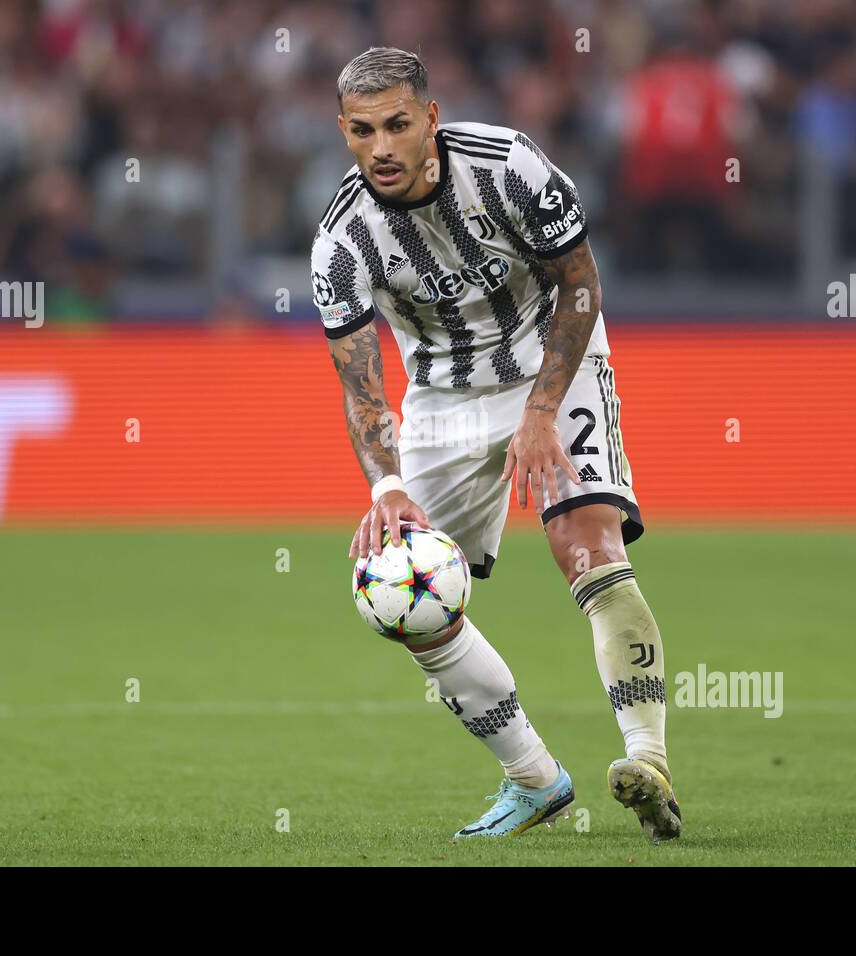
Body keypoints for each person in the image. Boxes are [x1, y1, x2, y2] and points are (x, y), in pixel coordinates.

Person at [311, 47, 679, 842]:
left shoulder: (510, 168)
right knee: (401, 597)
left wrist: (542, 413)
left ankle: (647, 760)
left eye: (399, 125)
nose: (382, 147)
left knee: (586, 543)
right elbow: (361, 385)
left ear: (430, 120)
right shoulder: (342, 242)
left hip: (553, 362)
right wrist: (388, 487)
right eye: (363, 130)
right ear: (344, 131)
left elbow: (581, 283)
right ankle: (534, 779)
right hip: (441, 401)